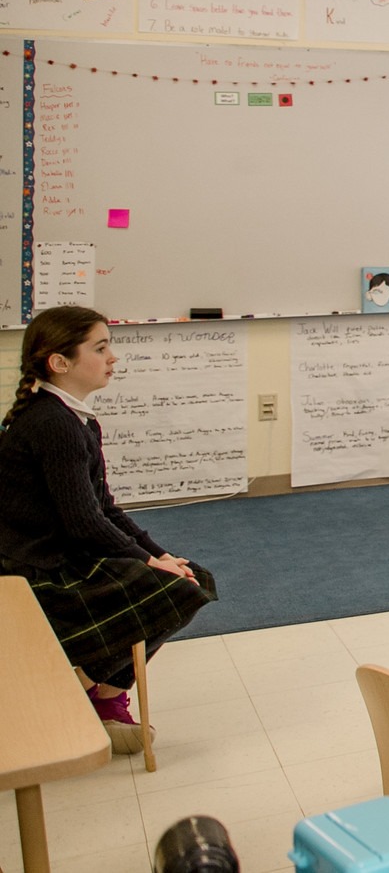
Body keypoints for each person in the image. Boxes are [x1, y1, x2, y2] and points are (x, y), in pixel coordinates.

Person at [0, 306, 216, 753]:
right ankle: (80, 690)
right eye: (100, 348)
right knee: (173, 589)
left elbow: (105, 510)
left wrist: (160, 554)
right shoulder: (51, 423)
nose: (112, 357)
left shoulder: (77, 419)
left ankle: (103, 695)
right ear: (59, 363)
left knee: (192, 577)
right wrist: (149, 563)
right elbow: (84, 524)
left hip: (64, 556)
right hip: (36, 573)